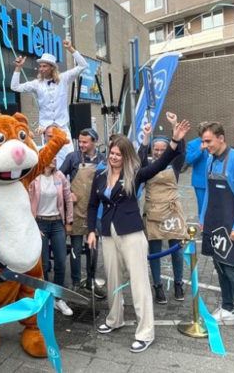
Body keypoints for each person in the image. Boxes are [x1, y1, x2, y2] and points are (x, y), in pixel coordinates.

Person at [86, 119, 190, 353]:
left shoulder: (135, 174)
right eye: (112, 153)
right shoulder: (100, 175)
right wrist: (91, 230)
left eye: (118, 154)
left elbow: (159, 164)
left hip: (131, 233)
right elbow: (92, 205)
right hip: (108, 233)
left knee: (139, 282)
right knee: (112, 279)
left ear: (126, 156)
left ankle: (145, 332)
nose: (114, 157)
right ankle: (115, 319)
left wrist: (175, 140)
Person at [198, 122, 234, 332]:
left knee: (231, 268)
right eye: (203, 141)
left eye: (208, 141)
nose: (205, 146)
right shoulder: (210, 161)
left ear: (221, 138)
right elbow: (208, 193)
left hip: (230, 225)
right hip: (213, 223)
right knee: (219, 266)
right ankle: (228, 307)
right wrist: (203, 218)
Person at [10, 39, 88, 167]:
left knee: (71, 159)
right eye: (40, 66)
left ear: (52, 67)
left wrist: (70, 49)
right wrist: (18, 68)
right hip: (46, 130)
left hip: (62, 127)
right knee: (49, 161)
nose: (41, 69)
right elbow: (15, 87)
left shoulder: (64, 78)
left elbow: (83, 65)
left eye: (44, 66)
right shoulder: (36, 84)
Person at [138, 113, 188, 304]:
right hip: (153, 212)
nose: (159, 152)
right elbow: (139, 158)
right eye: (156, 149)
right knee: (155, 250)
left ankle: (178, 283)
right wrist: (146, 137)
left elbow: (180, 151)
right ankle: (157, 286)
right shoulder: (147, 166)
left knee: (177, 249)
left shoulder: (174, 164)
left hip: (172, 210)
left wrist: (175, 126)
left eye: (162, 149)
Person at [60, 128, 106, 298]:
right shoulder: (72, 157)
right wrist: (68, 193)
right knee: (76, 249)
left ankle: (91, 282)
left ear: (94, 141)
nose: (81, 145)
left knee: (93, 249)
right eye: (80, 141)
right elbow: (59, 176)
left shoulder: (103, 159)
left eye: (85, 142)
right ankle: (76, 283)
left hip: (96, 210)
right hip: (77, 209)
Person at [28, 159, 74, 316]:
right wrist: (32, 225)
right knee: (44, 264)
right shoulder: (34, 178)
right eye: (51, 156)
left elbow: (68, 199)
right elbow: (26, 202)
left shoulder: (60, 176)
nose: (54, 159)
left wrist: (69, 221)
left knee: (61, 261)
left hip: (57, 223)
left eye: (55, 157)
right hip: (40, 223)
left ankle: (58, 298)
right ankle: (46, 297)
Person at [185, 125, 210, 214]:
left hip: (215, 180)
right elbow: (188, 160)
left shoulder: (214, 142)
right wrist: (200, 150)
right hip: (200, 182)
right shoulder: (192, 144)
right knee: (203, 208)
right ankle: (202, 222)